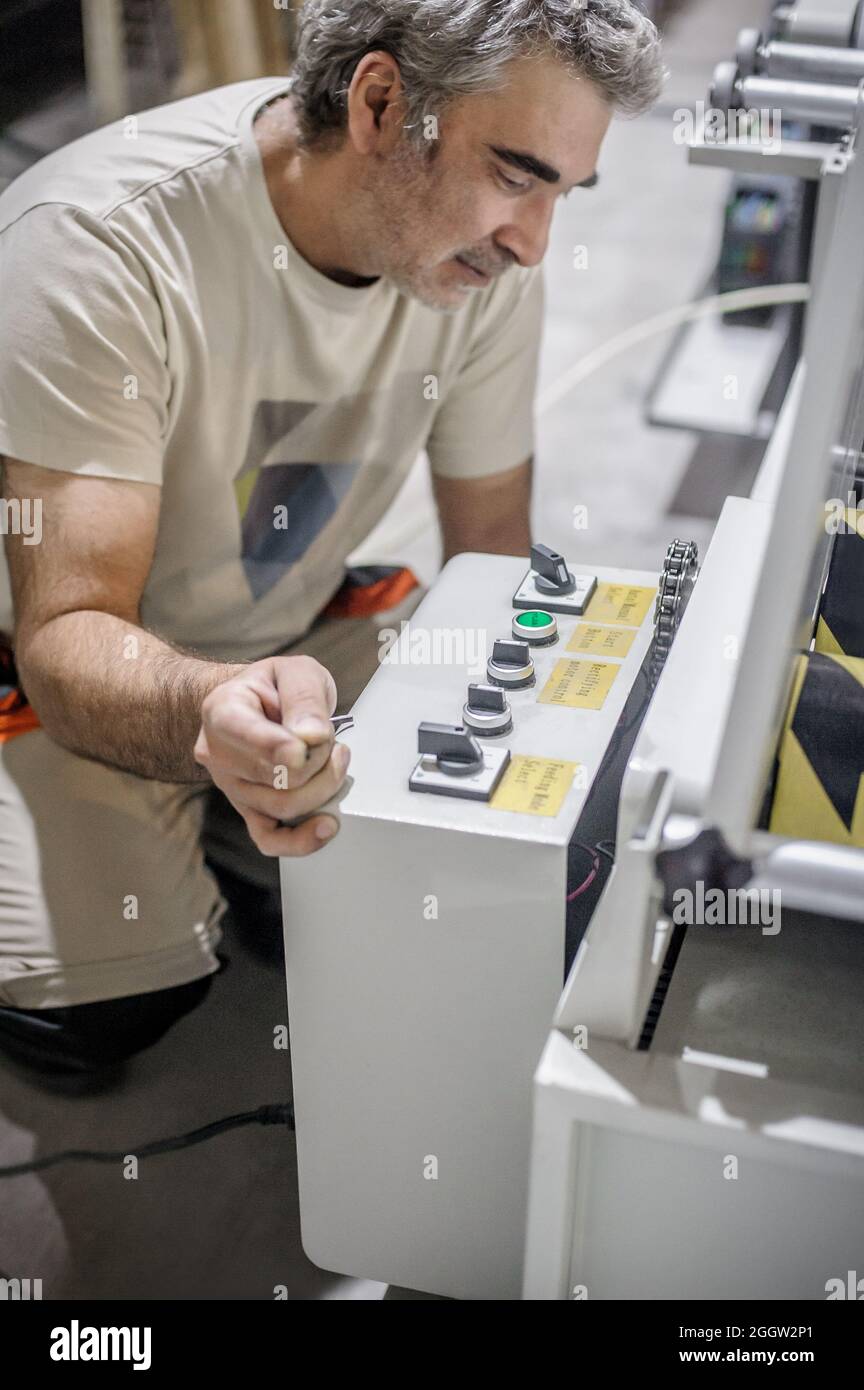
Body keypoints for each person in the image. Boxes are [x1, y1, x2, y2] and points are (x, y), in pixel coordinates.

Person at [0, 0, 664, 1074]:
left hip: (285, 631)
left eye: (563, 192)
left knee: (397, 866)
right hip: (65, 675)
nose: (534, 242)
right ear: (381, 101)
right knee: (122, 999)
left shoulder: (480, 263)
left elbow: (492, 555)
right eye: (515, 173)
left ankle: (234, 810)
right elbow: (69, 635)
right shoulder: (102, 249)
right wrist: (213, 715)